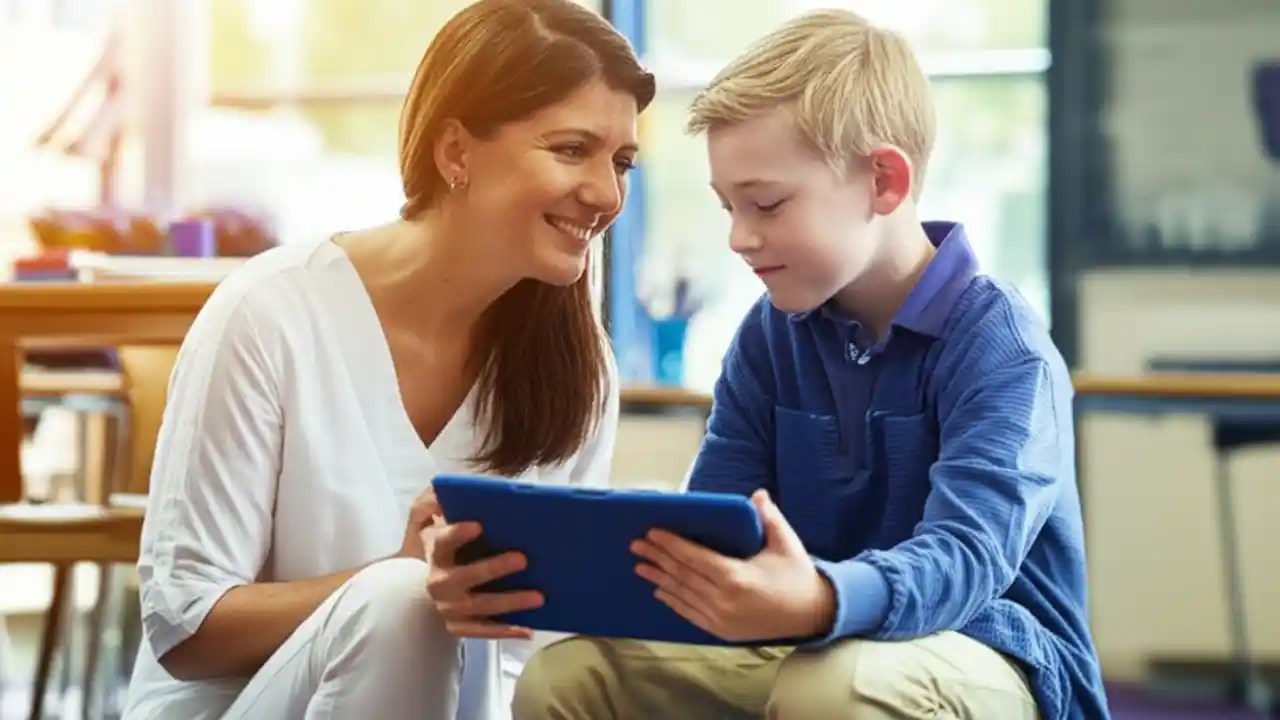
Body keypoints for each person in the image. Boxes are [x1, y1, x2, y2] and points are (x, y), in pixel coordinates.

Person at [513, 9, 1109, 720]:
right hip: (807, 642)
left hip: (989, 651)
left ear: (884, 182)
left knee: (831, 690)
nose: (739, 236)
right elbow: (719, 527)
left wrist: (822, 598)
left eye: (765, 203)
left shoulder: (1003, 348)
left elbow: (967, 561)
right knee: (571, 675)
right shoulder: (768, 338)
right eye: (729, 206)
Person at [121, 1, 653, 718]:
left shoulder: (576, 373)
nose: (606, 193)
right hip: (241, 704)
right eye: (569, 149)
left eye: (620, 161)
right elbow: (186, 628)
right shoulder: (272, 313)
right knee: (405, 601)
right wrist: (402, 580)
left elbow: (539, 659)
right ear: (456, 152)